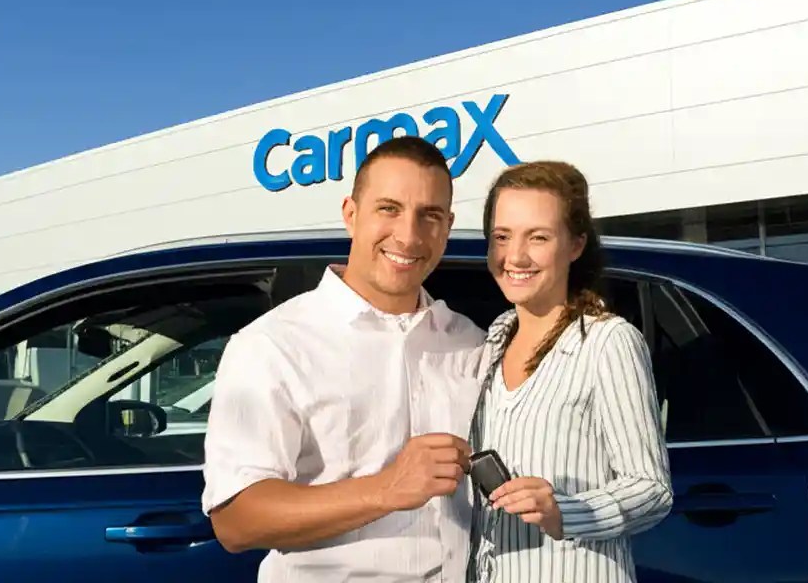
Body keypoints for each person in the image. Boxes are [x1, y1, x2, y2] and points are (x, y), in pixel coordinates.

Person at [201, 135, 490, 582]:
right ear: (351, 214)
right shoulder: (273, 345)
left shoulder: (470, 342)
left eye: (429, 216)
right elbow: (236, 521)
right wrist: (387, 489)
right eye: (388, 209)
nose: (409, 235)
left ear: (447, 226)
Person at [468, 161, 673, 583]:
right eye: (501, 237)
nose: (515, 256)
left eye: (538, 237)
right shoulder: (489, 345)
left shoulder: (606, 342)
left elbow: (652, 489)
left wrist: (568, 511)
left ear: (576, 245)